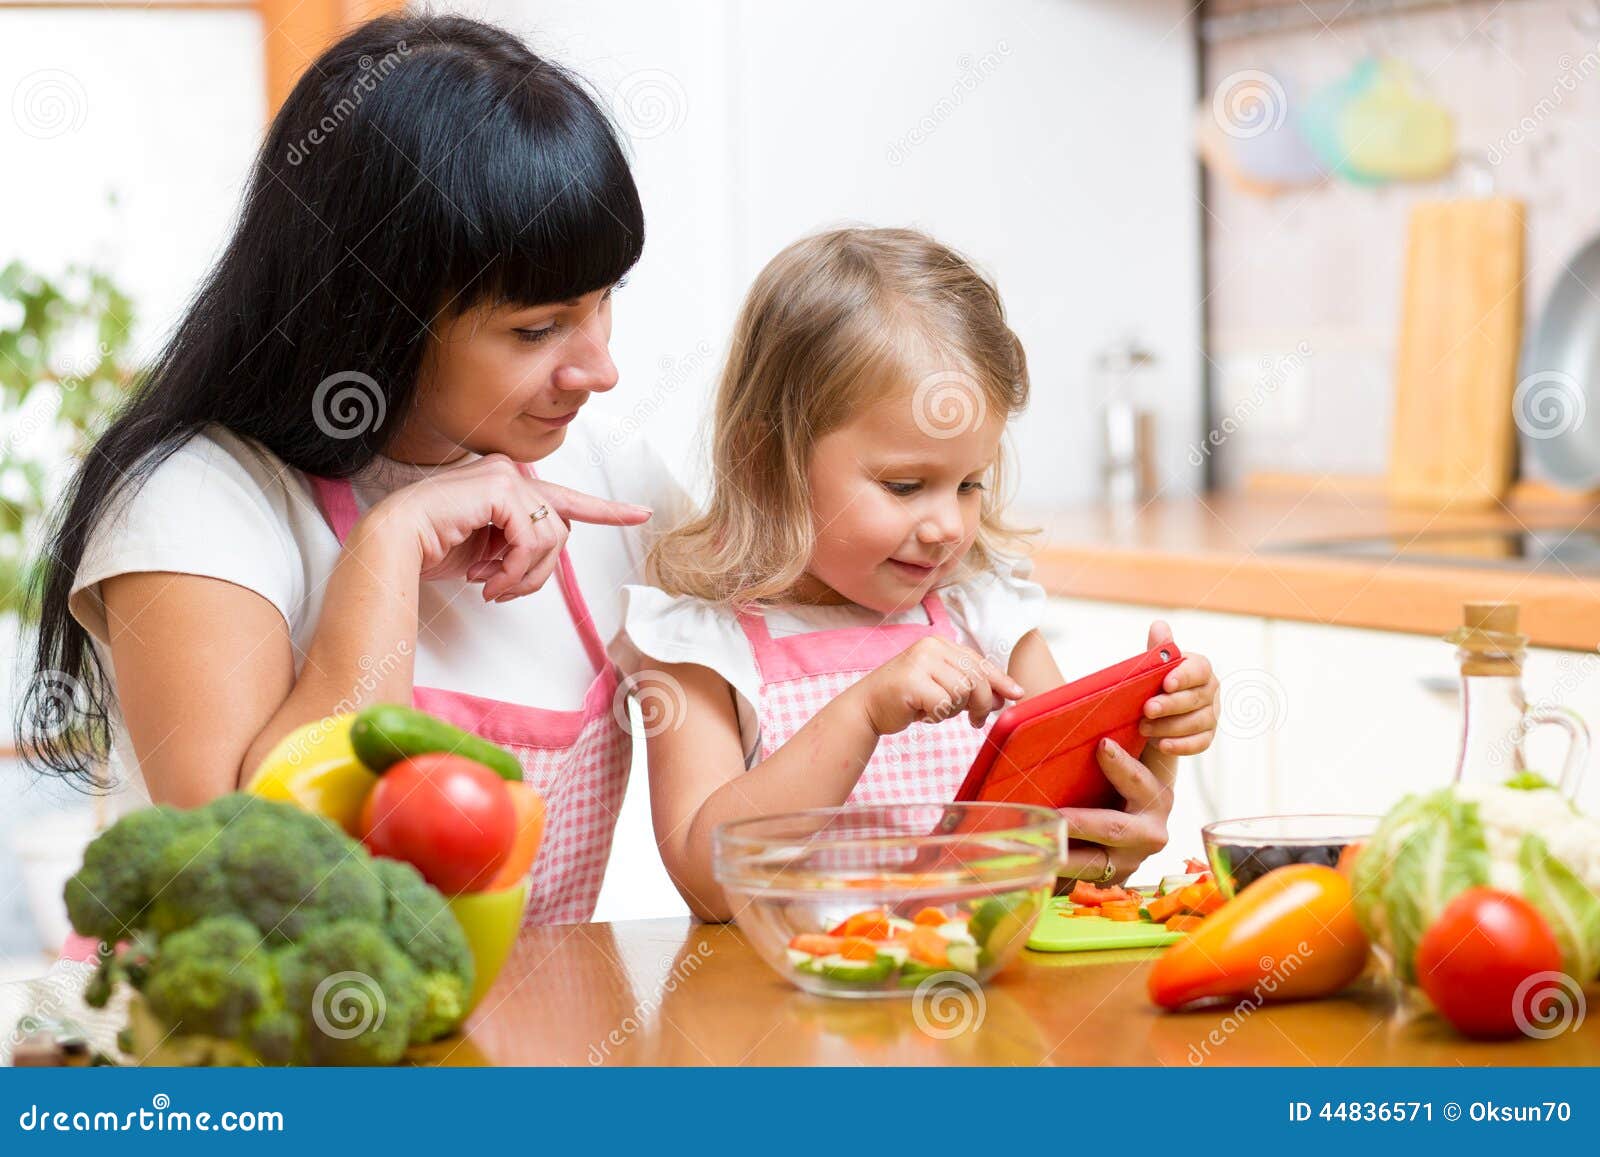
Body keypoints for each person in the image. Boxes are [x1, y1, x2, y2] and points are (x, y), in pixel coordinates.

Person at [19, 14, 682, 927]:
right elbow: (249, 884)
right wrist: (388, 549)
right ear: (376, 311)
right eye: (537, 330)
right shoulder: (193, 506)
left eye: (606, 304)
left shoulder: (615, 479)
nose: (600, 369)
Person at [612, 228, 1219, 921]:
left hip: (983, 1005)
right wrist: (862, 712)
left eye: (969, 484)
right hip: (783, 1016)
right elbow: (708, 880)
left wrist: (1150, 746)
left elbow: (1066, 839)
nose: (947, 527)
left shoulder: (984, 614)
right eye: (904, 485)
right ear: (766, 459)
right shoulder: (703, 639)